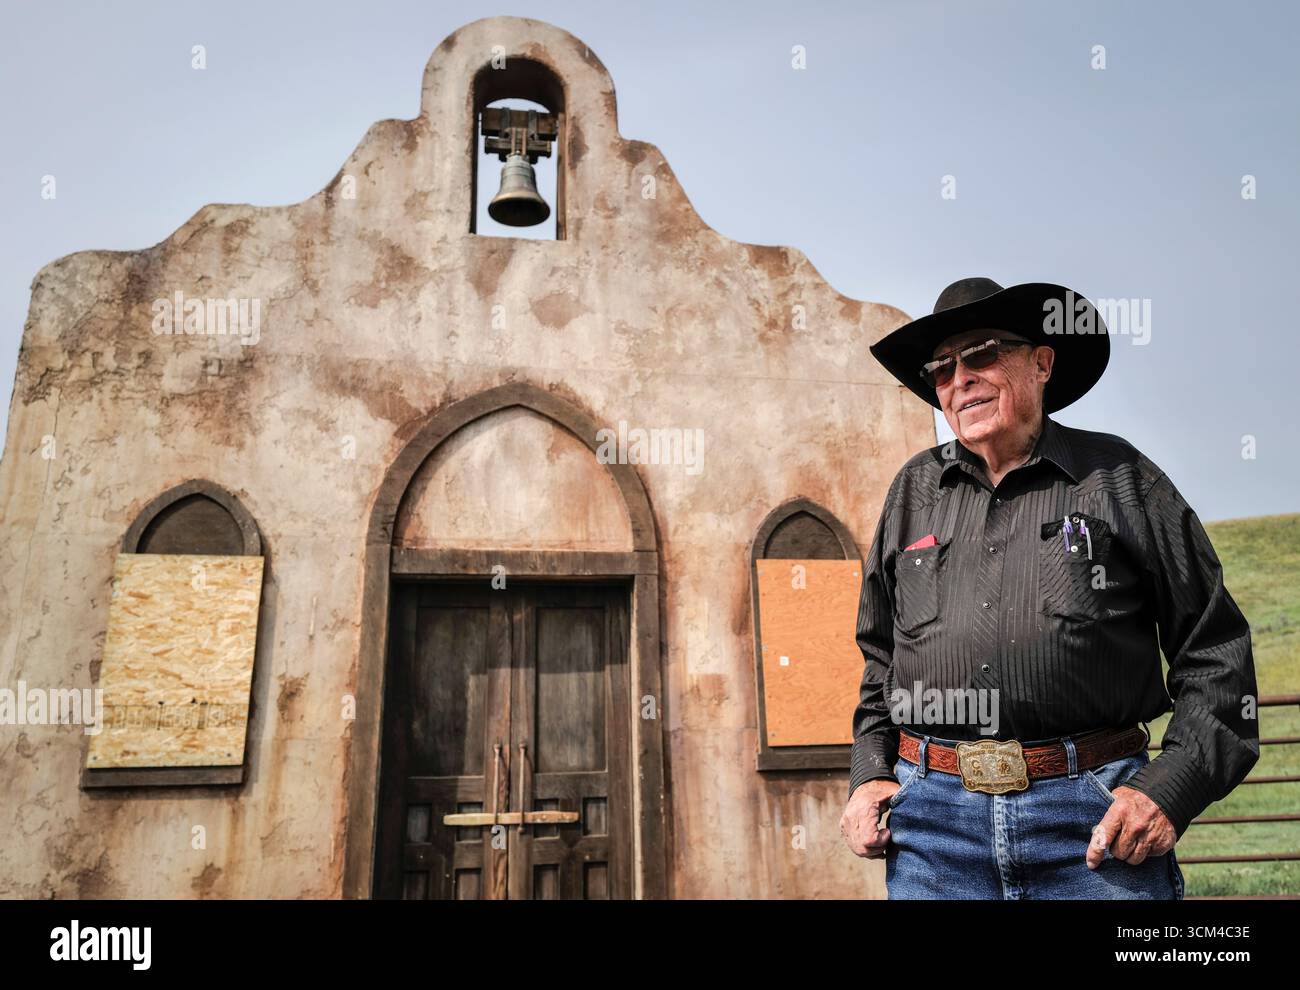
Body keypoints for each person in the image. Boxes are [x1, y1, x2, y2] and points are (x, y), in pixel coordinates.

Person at [838, 277, 1259, 899]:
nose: (961, 379)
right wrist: (871, 771)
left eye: (981, 354)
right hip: (934, 830)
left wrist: (1168, 790)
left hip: (1093, 824)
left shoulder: (1119, 478)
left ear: (1041, 363)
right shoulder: (914, 491)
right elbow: (881, 656)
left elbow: (1214, 649)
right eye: (942, 368)